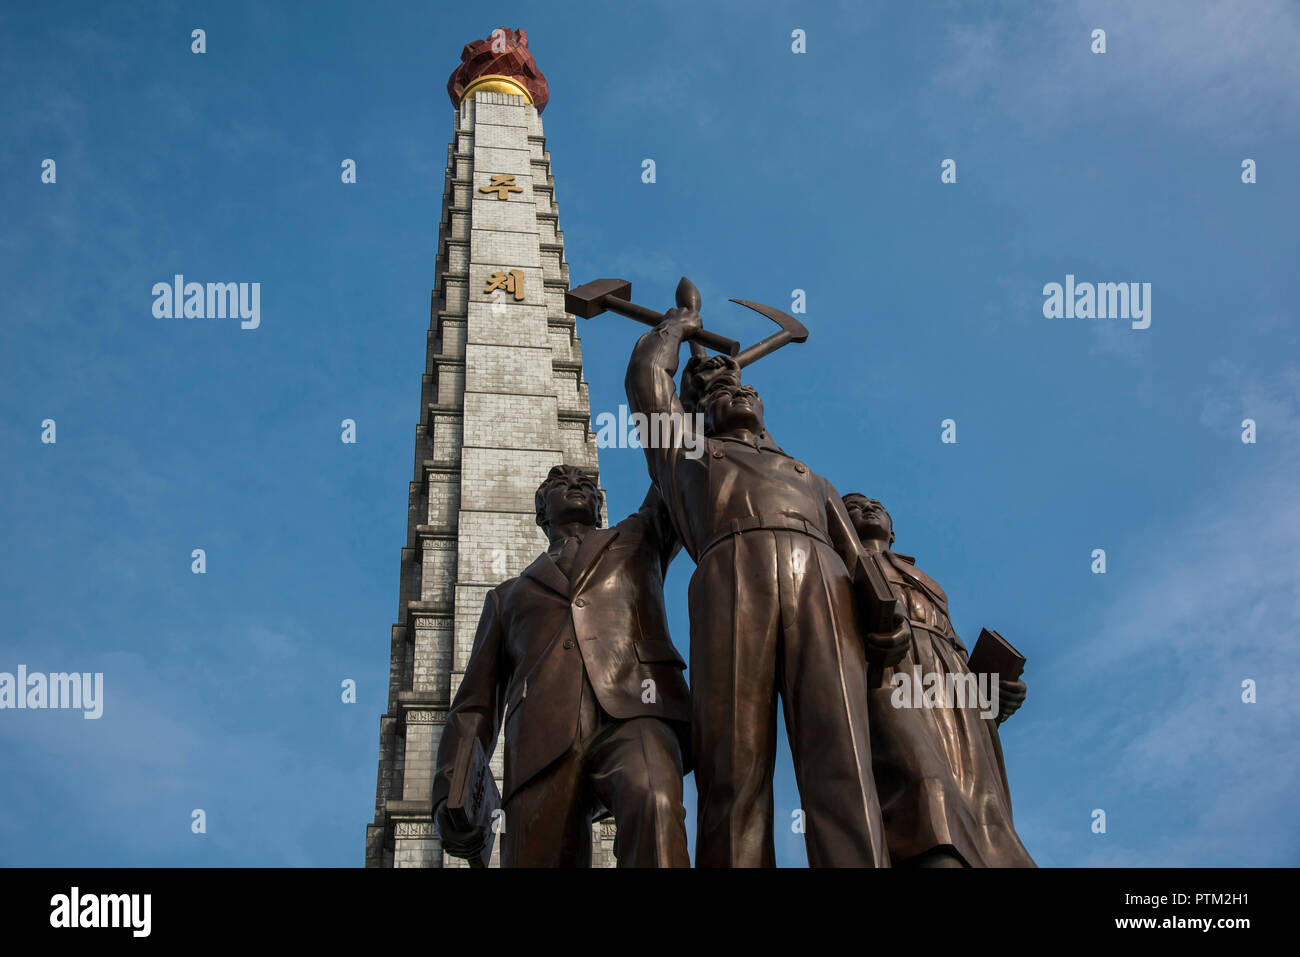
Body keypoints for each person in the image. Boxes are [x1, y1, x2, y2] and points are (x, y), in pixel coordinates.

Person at [625, 304, 908, 867]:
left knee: (843, 760)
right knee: (734, 764)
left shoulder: (810, 476)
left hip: (824, 588)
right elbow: (646, 383)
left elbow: (861, 562)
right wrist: (676, 328)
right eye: (721, 393)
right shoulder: (686, 456)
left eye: (747, 390)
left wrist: (888, 618)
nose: (739, 394)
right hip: (731, 578)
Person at [432, 467, 691, 867]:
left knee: (653, 800)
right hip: (538, 743)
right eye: (561, 485)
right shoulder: (507, 597)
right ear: (541, 514)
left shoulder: (641, 538)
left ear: (600, 507)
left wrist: (691, 409)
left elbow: (673, 466)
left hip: (633, 712)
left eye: (586, 485)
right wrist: (451, 780)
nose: (575, 487)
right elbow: (474, 704)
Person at [843, 492, 1035, 867]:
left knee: (984, 807)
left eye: (877, 505)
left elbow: (953, 644)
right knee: (921, 780)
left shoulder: (925, 580)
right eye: (853, 506)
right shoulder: (837, 563)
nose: (868, 507)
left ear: (894, 533)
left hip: (951, 685)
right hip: (889, 672)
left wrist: (995, 694)